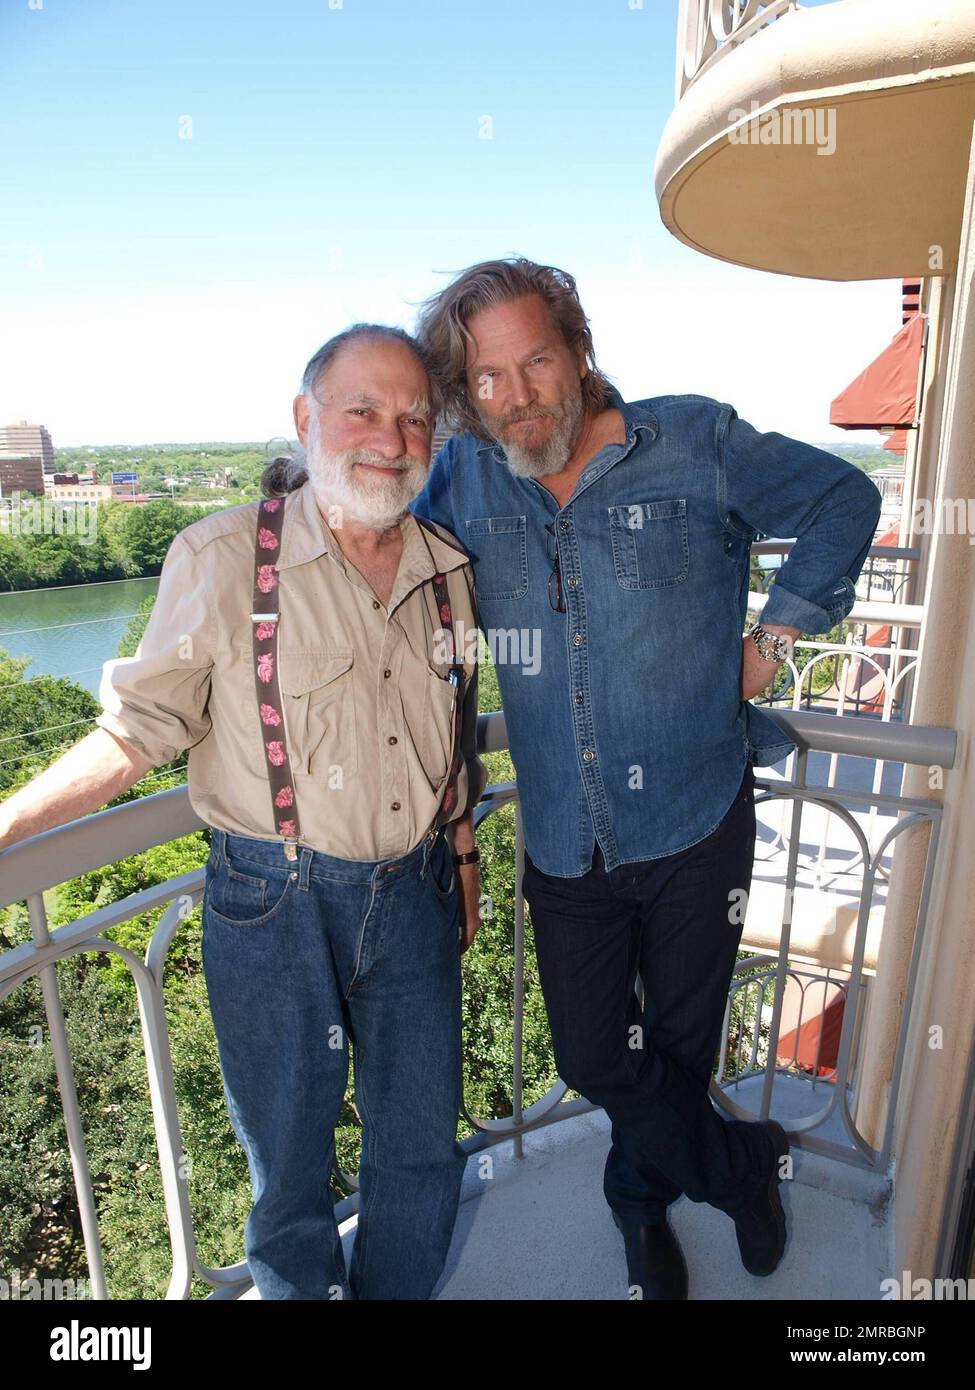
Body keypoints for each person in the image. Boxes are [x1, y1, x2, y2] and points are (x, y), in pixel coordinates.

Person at [409, 256, 884, 1299]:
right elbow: (373, 553)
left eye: (534, 361)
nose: (514, 395)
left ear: (578, 351)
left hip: (694, 817)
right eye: (485, 378)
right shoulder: (465, 476)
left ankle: (638, 1216)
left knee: (677, 1043)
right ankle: (740, 1169)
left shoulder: (697, 443)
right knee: (597, 1055)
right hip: (562, 839)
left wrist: (772, 639)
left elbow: (847, 498)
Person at [0, 323, 488, 1301]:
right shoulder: (223, 557)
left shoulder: (449, 567)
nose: (390, 439)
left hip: (421, 895)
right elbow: (135, 735)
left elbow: (456, 728)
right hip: (275, 908)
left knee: (424, 1150)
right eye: (363, 411)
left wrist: (465, 855)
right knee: (292, 1177)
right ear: (306, 420)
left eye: (412, 418)